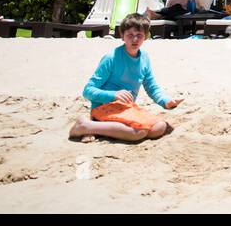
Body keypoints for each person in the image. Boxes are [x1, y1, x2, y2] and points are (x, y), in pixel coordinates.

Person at [69, 14, 182, 142]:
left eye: (139, 35)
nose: (135, 39)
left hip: (126, 109)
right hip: (104, 108)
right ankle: (84, 125)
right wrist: (114, 95)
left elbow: (151, 86)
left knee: (160, 127)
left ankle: (94, 129)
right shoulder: (111, 58)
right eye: (130, 35)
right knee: (138, 133)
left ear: (146, 36)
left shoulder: (144, 58)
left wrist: (166, 101)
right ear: (122, 36)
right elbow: (88, 90)